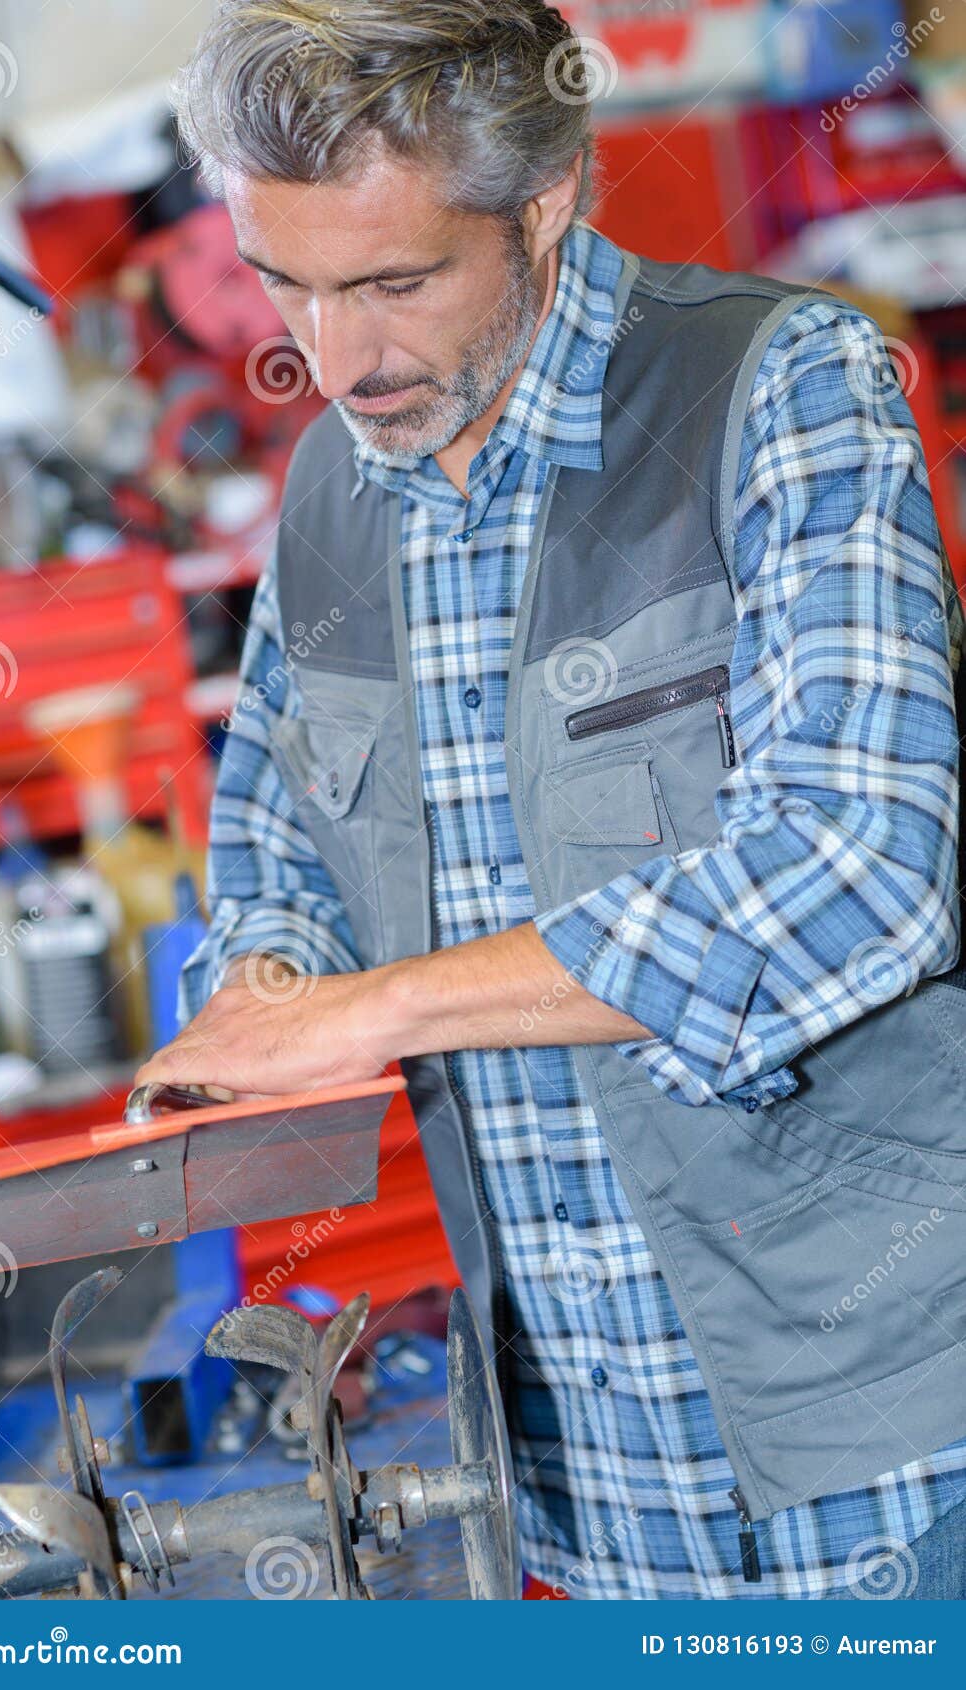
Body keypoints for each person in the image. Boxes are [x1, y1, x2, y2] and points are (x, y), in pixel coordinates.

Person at [137, 0, 966, 1599]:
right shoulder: (328, 495)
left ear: (544, 200)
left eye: (395, 282)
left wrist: (376, 1009)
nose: (339, 354)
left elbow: (862, 871)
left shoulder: (780, 389)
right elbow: (274, 854)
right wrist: (267, 984)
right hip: (578, 1474)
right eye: (286, 282)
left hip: (885, 1454)